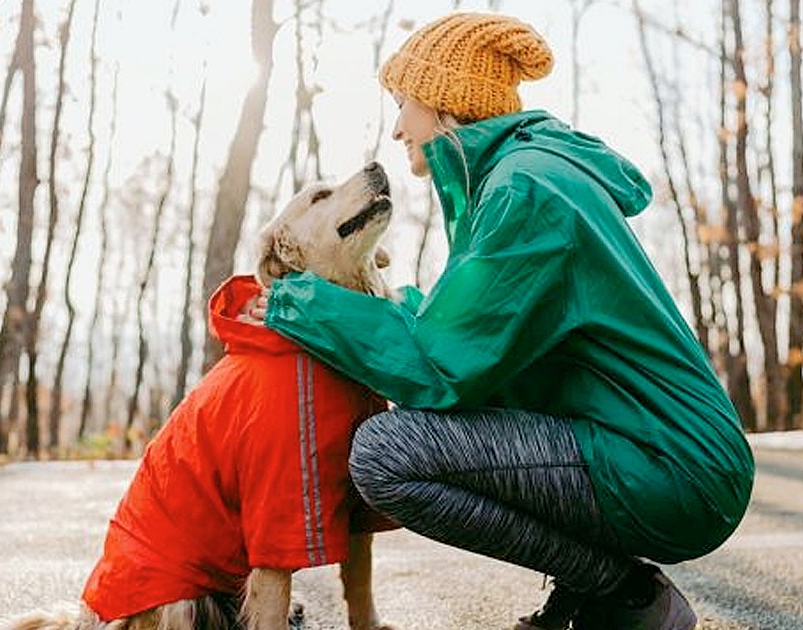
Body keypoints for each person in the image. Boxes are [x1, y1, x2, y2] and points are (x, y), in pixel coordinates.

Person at [256, 11, 754, 630]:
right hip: (645, 447)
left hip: (668, 464)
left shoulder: (527, 191)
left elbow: (440, 366)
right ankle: (595, 588)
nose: (395, 127)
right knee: (425, 435)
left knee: (387, 453)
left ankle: (619, 591)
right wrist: (385, 307)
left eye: (404, 102)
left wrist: (298, 301)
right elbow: (469, 335)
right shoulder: (523, 177)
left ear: (444, 103)